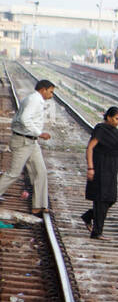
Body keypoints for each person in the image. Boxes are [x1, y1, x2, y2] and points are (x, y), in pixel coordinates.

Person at [0, 79, 55, 214]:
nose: (52, 95)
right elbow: (25, 119)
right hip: (23, 141)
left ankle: (39, 205)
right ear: (43, 90)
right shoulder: (34, 100)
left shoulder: (36, 100)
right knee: (13, 173)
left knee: (40, 171)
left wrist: (36, 135)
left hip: (31, 142)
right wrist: (39, 133)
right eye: (51, 92)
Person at [81, 106, 118, 238]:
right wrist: (90, 168)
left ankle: (89, 216)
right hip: (101, 167)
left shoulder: (114, 131)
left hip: (111, 169)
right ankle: (97, 232)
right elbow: (90, 148)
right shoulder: (100, 129)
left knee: (111, 198)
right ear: (109, 117)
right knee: (101, 199)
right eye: (117, 118)